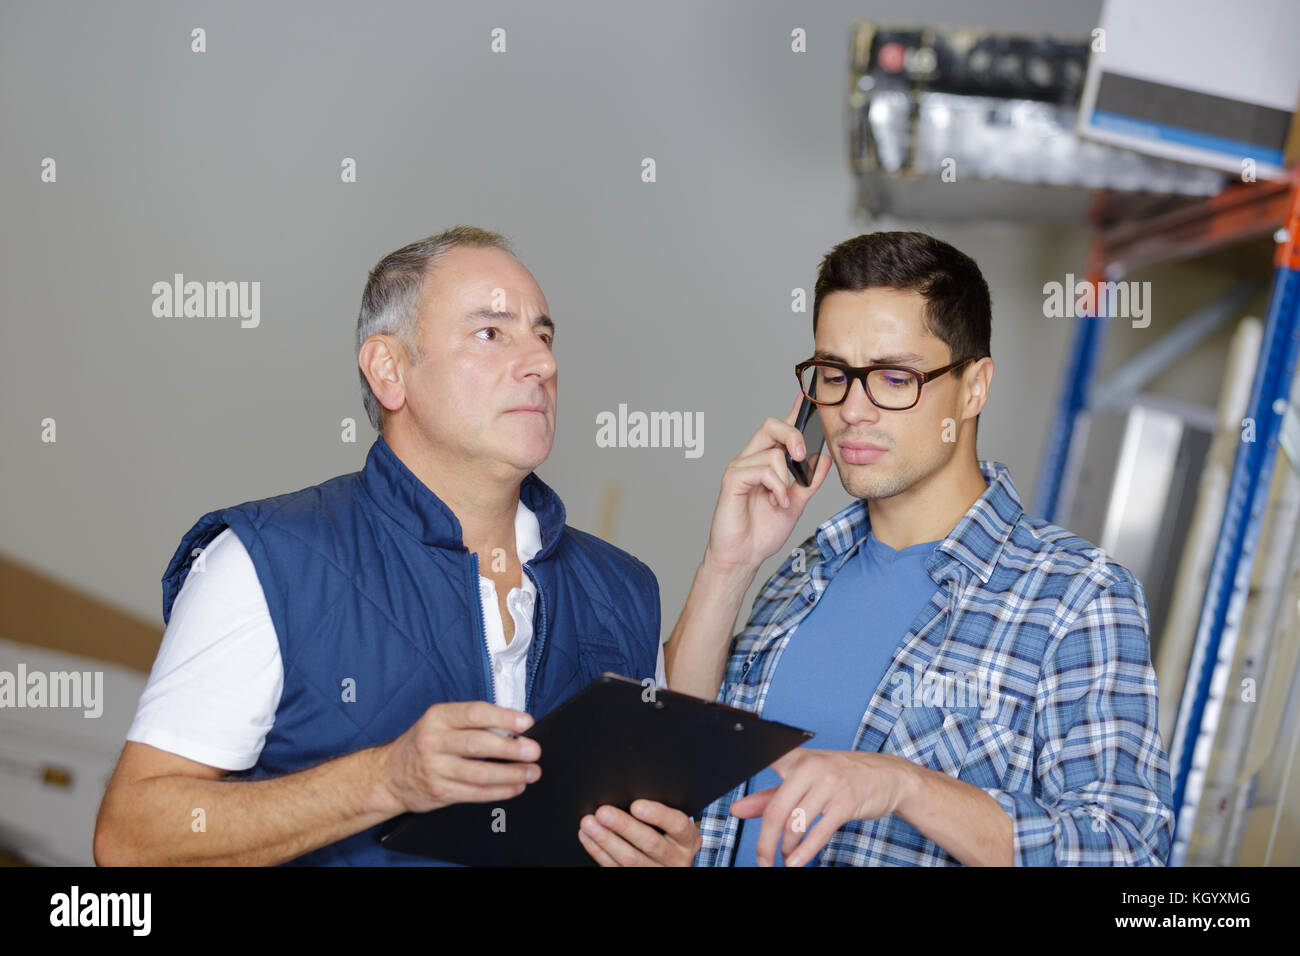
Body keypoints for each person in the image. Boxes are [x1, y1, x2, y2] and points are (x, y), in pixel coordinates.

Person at [94, 226, 699, 866]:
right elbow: (131, 840)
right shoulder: (268, 562)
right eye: (491, 333)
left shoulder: (625, 591)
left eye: (543, 336)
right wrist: (384, 780)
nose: (542, 364)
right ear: (390, 371)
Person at [665, 231, 1175, 866]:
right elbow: (675, 738)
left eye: (894, 377)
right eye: (834, 375)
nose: (852, 409)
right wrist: (729, 565)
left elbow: (1127, 855)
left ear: (973, 388)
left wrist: (901, 785)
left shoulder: (1078, 598)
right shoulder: (799, 576)